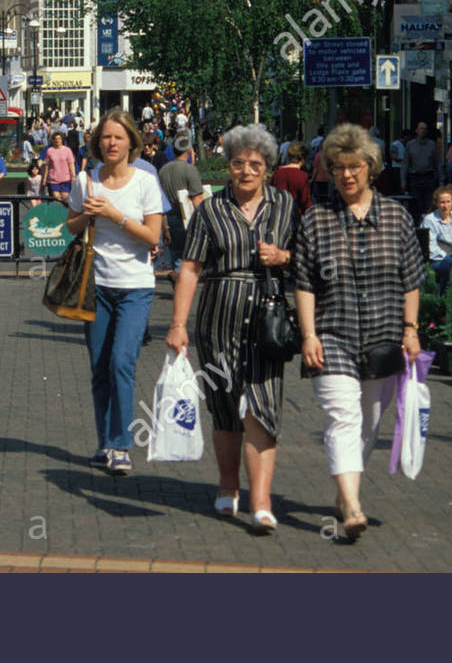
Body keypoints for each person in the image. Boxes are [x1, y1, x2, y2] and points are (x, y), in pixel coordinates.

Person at [294, 123, 424, 541]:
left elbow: (412, 279)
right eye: (337, 168)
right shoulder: (316, 220)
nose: (346, 175)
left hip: (385, 338)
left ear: (371, 167)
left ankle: (344, 487)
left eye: (354, 167)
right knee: (343, 418)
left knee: (369, 424)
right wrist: (309, 335)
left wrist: (411, 329)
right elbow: (304, 283)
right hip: (333, 336)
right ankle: (351, 506)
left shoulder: (398, 217)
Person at [166, 124, 296, 533]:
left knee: (261, 407)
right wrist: (177, 324)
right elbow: (190, 268)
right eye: (238, 163)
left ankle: (260, 500)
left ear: (267, 168)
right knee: (224, 406)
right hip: (218, 319)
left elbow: (305, 256)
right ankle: (227, 484)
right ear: (229, 166)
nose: (246, 171)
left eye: (255, 164)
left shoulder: (285, 205)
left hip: (267, 321)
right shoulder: (210, 210)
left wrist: (282, 256)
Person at [67, 109, 163, 477]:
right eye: (106, 137)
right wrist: (88, 216)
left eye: (118, 138)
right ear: (97, 142)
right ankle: (104, 442)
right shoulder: (86, 180)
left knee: (122, 362)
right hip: (95, 285)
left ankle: (122, 445)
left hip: (135, 286)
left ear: (131, 143)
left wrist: (113, 214)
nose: (111, 143)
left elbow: (153, 237)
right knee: (99, 368)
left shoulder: (144, 182)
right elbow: (71, 226)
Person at [159, 137, 205, 281]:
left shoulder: (163, 170)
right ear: (189, 150)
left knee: (174, 252)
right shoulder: (190, 169)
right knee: (188, 254)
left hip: (167, 217)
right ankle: (178, 278)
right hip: (186, 217)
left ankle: (176, 276)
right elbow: (197, 198)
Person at [421, 185, 452, 290]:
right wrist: (450, 259)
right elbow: (431, 248)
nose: (445, 206)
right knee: (449, 268)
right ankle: (445, 299)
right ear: (436, 203)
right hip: (437, 259)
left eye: (448, 202)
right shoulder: (430, 220)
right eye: (442, 202)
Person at [403, 121, 442, 218]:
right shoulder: (410, 145)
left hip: (429, 177)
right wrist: (403, 180)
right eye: (421, 128)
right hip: (415, 177)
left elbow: (438, 163)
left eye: (425, 129)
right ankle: (416, 224)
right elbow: (405, 164)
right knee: (416, 203)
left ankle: (428, 225)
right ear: (416, 131)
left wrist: (441, 180)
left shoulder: (432, 145)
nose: (423, 131)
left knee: (429, 203)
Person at [271, 141, 311, 215]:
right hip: (294, 214)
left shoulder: (277, 173)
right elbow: (304, 200)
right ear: (303, 159)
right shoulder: (302, 175)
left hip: (278, 212)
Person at [43, 131, 77, 202]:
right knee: (56, 198)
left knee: (65, 198)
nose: (57, 140)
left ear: (62, 140)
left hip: (65, 179)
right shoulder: (49, 151)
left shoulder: (67, 150)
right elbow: (47, 166)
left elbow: (71, 164)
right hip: (53, 179)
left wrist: (73, 176)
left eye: (59, 138)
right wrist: (44, 179)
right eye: (55, 139)